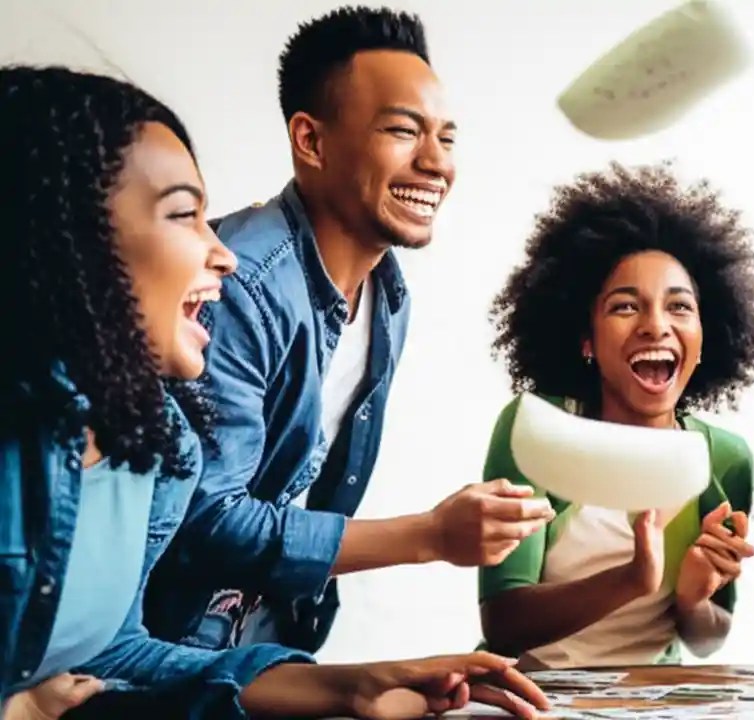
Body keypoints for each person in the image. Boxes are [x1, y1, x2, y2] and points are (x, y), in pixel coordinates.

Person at [0, 65, 548, 719]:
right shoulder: (252, 291)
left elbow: (115, 656)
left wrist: (353, 684)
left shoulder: (155, 445)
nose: (221, 254)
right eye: (183, 216)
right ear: (66, 237)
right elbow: (214, 529)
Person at [143, 6, 554, 654]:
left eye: (446, 139)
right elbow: (205, 522)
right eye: (402, 130)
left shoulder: (389, 296)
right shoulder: (240, 284)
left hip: (271, 637)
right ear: (311, 140)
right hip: (178, 651)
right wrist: (430, 535)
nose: (435, 163)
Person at [478, 163, 754, 668]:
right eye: (624, 307)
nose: (655, 326)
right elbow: (504, 623)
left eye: (679, 308)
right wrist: (631, 580)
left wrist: (692, 597)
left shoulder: (723, 458)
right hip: (530, 694)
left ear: (707, 338)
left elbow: (707, 639)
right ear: (587, 339)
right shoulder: (539, 429)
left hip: (648, 700)